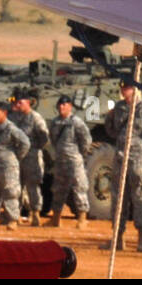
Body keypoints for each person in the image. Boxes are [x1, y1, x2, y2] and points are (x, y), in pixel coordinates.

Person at [102, 80, 142, 252]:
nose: (124, 91)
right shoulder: (118, 108)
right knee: (118, 199)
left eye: (128, 87)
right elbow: (109, 128)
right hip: (120, 157)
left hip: (138, 159)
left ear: (135, 89)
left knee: (140, 197)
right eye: (123, 88)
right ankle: (118, 238)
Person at [0, 101, 30, 229]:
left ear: (5, 113)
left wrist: (15, 157)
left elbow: (25, 143)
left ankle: (12, 220)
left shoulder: (11, 129)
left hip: (8, 168)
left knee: (10, 193)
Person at [48, 94, 93, 229]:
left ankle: (82, 218)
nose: (61, 107)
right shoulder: (55, 122)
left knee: (79, 187)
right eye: (60, 104)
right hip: (61, 159)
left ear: (70, 107)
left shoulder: (76, 122)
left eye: (64, 104)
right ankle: (56, 219)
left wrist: (79, 153)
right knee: (58, 189)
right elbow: (53, 139)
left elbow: (86, 140)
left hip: (74, 159)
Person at [10, 90, 48, 225]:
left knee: (33, 186)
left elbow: (44, 137)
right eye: (16, 103)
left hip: (32, 157)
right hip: (17, 157)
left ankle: (35, 214)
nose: (18, 105)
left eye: (21, 102)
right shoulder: (15, 117)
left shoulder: (36, 118)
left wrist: (35, 148)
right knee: (16, 186)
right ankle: (16, 214)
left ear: (28, 102)